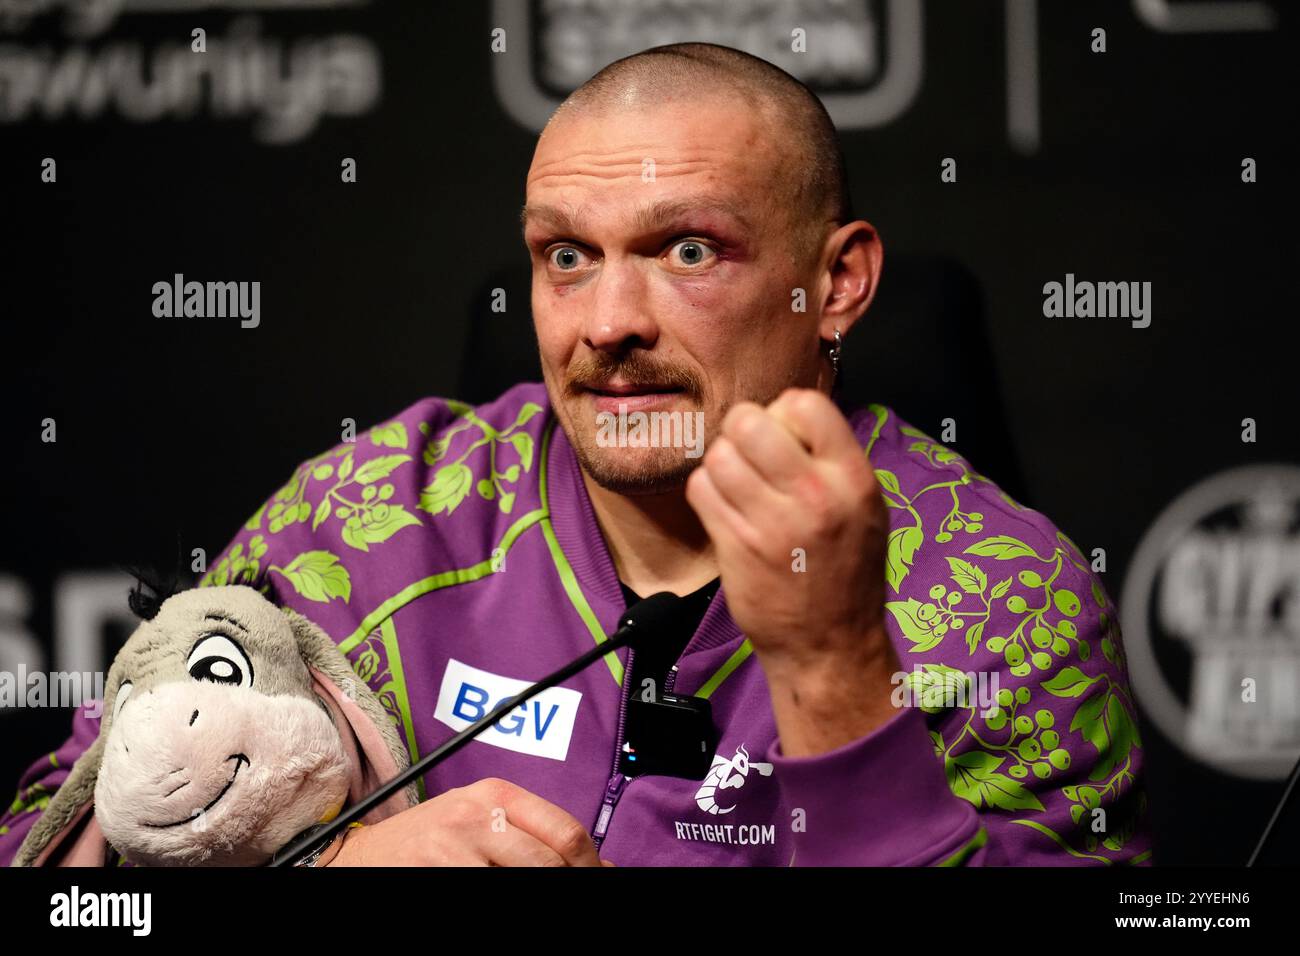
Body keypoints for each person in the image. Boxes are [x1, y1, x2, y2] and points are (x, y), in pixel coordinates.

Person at [0, 42, 1151, 866]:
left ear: (836, 281)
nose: (607, 322)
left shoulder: (1010, 599)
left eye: (690, 248)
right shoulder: (373, 516)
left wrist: (833, 673)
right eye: (564, 256)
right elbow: (58, 871)